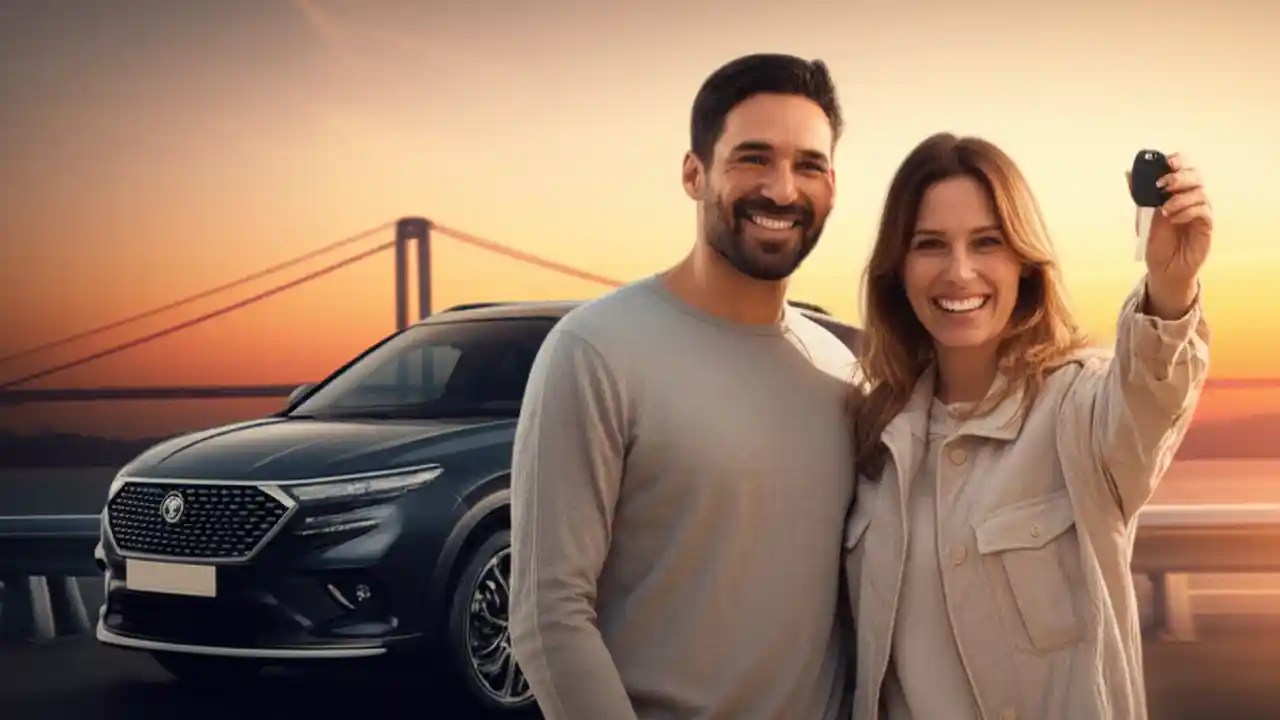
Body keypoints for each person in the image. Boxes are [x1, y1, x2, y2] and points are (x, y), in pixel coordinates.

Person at [509, 53, 860, 720]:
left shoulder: (840, 374)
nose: (783, 190)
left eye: (807, 165)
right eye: (753, 158)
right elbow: (546, 614)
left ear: (833, 186)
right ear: (694, 174)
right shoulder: (595, 351)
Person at [842, 132, 1211, 720]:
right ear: (898, 269)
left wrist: (1171, 288)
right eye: (930, 245)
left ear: (1024, 261)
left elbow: (1150, 398)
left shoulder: (1079, 410)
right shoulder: (871, 434)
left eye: (986, 242)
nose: (959, 273)